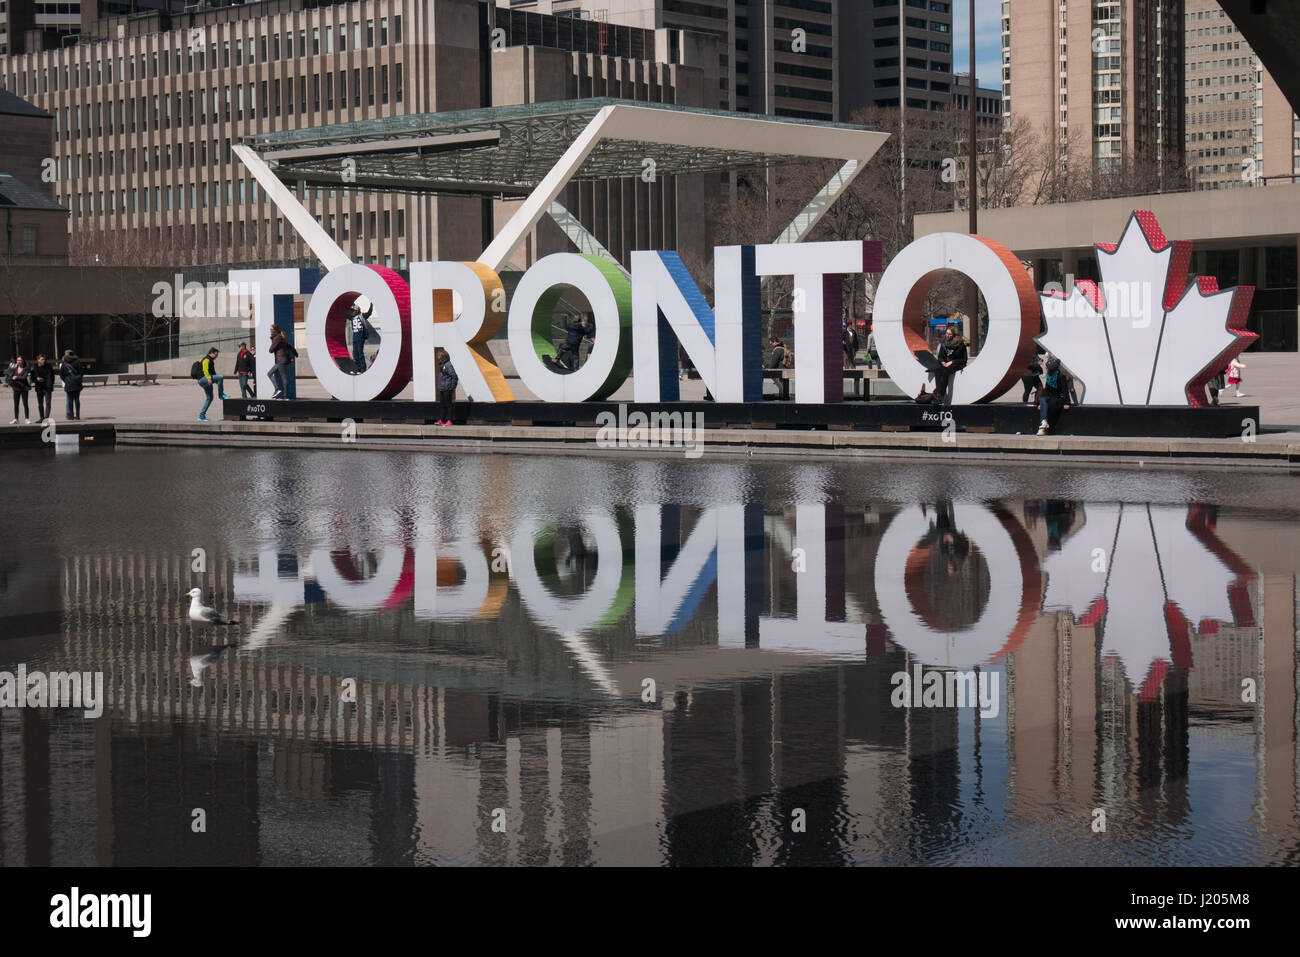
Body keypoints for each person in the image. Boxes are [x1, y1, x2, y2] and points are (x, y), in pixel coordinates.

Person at [1036, 356, 1074, 436]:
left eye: (1047, 368)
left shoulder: (1061, 377)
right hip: (1050, 396)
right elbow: (1046, 390)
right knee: (1042, 399)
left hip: (1058, 397)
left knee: (1051, 404)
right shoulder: (1049, 376)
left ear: (1052, 369)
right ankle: (1044, 422)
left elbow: (1065, 391)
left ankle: (1042, 429)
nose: (1046, 369)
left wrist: (1067, 403)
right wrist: (1040, 403)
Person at [934, 324, 968, 406]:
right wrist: (942, 362)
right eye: (946, 333)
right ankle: (939, 395)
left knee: (946, 371)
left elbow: (964, 359)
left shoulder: (960, 344)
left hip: (957, 363)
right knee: (938, 371)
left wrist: (951, 362)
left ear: (954, 335)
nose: (947, 335)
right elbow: (940, 357)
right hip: (946, 363)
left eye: (949, 334)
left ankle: (941, 396)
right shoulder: (944, 343)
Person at [196, 346, 226, 421]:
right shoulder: (206, 359)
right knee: (220, 377)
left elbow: (214, 375)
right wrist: (209, 378)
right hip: (203, 379)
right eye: (216, 355)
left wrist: (215, 381)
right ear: (211, 353)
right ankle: (221, 395)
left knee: (210, 398)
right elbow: (205, 369)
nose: (216, 357)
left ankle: (201, 416)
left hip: (205, 380)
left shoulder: (211, 360)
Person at [268, 323, 297, 399]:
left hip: (280, 359)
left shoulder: (277, 337)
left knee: (283, 376)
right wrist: (295, 353)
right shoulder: (280, 337)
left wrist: (272, 339)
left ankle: (283, 394)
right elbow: (289, 346)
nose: (270, 331)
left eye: (270, 329)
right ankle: (281, 392)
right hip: (281, 359)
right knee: (270, 373)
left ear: (274, 330)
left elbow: (270, 350)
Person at [434, 347, 458, 426]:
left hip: (447, 388)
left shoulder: (448, 365)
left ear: (443, 357)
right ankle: (442, 419)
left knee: (448, 405)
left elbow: (454, 376)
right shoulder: (443, 365)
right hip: (442, 388)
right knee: (442, 405)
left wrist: (452, 386)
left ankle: (449, 420)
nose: (438, 358)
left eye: (439, 357)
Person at [29, 354, 56, 421]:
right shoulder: (35, 367)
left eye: (44, 359)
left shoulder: (49, 366)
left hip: (47, 387)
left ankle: (46, 418)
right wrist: (36, 380)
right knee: (40, 404)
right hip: (39, 387)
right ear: (38, 360)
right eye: (42, 359)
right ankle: (41, 417)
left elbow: (52, 376)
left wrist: (51, 383)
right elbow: (32, 378)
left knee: (48, 403)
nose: (44, 360)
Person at [58, 350, 83, 420]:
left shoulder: (64, 364)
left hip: (68, 383)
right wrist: (78, 378)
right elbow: (82, 372)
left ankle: (71, 415)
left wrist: (66, 380)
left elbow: (61, 375)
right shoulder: (78, 362)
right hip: (77, 383)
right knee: (77, 400)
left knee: (70, 400)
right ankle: (78, 415)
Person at [349, 302, 373, 373]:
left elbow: (369, 313)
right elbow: (345, 314)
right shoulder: (352, 317)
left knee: (360, 354)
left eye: (353, 311)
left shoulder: (362, 316)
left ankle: (362, 369)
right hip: (354, 339)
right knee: (355, 355)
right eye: (351, 311)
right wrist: (340, 309)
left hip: (360, 338)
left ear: (356, 311)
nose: (351, 312)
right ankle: (357, 369)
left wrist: (371, 307)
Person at [7, 355, 31, 424]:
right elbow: (10, 377)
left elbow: (24, 377)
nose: (19, 361)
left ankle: (26, 418)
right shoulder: (14, 368)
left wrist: (16, 377)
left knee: (25, 403)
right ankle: (16, 419)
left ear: (23, 361)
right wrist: (10, 380)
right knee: (16, 404)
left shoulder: (26, 368)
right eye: (18, 360)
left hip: (24, 388)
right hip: (16, 388)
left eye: (20, 360)